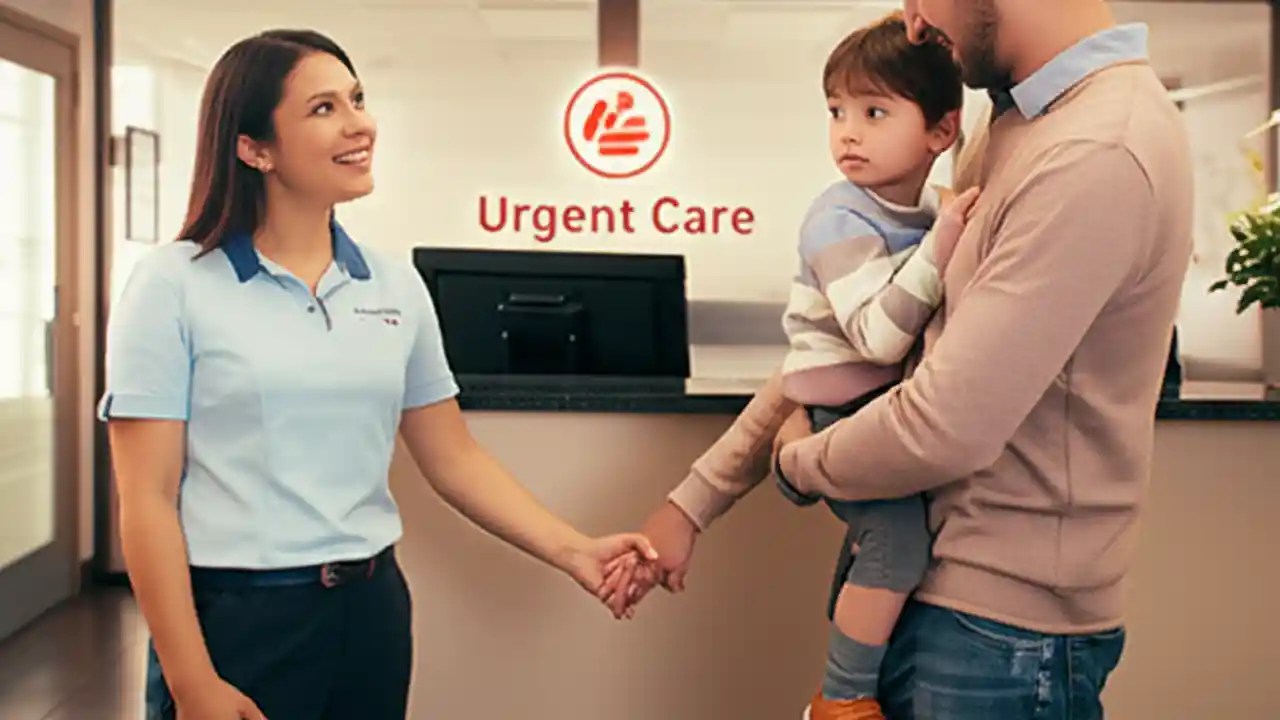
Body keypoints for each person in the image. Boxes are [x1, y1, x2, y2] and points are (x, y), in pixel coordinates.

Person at [627, 1, 1194, 718]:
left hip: (1002, 635)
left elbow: (941, 424)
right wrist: (698, 498)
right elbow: (835, 354)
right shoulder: (1010, 127)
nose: (914, 21)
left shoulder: (1098, 149)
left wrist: (796, 463)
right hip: (938, 600)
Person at [98, 29, 656, 720]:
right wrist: (191, 682)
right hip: (237, 616)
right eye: (323, 108)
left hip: (369, 612)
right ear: (254, 148)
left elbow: (453, 459)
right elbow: (146, 500)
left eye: (357, 98)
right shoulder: (171, 285)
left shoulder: (395, 286)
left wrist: (575, 549)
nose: (360, 123)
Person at [606, 13, 976, 719]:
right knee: (897, 547)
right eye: (837, 111)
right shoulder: (839, 218)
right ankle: (842, 699)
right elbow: (877, 337)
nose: (848, 131)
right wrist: (946, 242)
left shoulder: (927, 210)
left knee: (886, 545)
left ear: (941, 131)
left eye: (874, 111)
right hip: (843, 409)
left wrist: (944, 226)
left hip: (869, 412)